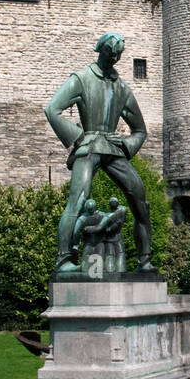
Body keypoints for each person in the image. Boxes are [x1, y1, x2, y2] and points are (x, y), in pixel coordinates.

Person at [45, 32, 153, 272]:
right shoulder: (81, 79)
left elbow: (140, 130)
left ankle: (145, 260)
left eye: (118, 55)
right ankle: (64, 260)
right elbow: (52, 109)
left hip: (112, 149)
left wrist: (125, 144)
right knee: (78, 200)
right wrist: (78, 137)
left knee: (140, 198)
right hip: (89, 145)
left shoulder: (122, 88)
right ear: (101, 50)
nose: (114, 58)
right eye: (110, 53)